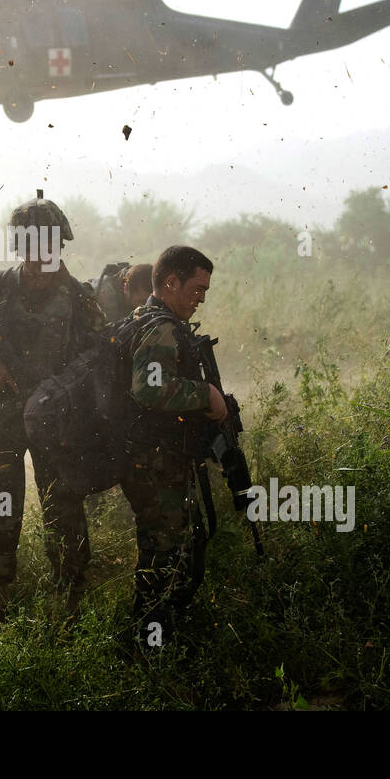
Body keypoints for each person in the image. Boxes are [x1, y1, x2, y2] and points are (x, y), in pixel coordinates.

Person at [0, 192, 107, 626]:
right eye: (32, 248)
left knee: (63, 503)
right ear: (20, 247)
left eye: (49, 247)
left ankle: (69, 593)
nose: (41, 258)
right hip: (2, 419)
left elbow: (102, 356)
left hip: (58, 424)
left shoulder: (79, 298)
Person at [120, 244, 229, 652]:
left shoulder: (142, 318)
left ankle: (153, 636)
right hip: (155, 462)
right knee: (164, 554)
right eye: (196, 288)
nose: (200, 298)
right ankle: (148, 646)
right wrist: (206, 395)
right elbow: (149, 388)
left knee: (164, 549)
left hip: (150, 458)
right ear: (170, 282)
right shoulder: (161, 327)